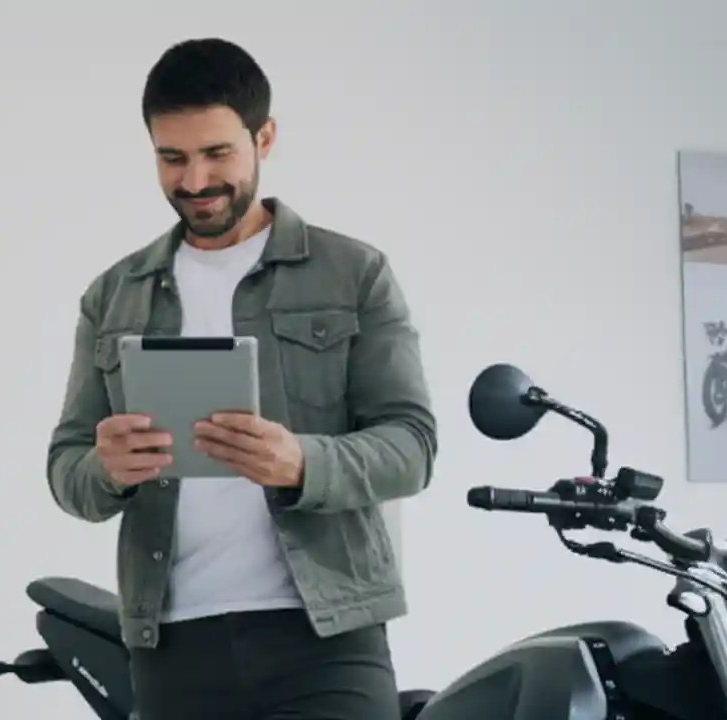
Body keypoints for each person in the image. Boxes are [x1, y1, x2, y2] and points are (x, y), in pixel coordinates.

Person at [45, 37, 437, 720]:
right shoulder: (112, 296)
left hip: (324, 640)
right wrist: (107, 469)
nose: (195, 180)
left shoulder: (353, 274)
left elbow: (413, 447)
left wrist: (302, 462)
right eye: (172, 158)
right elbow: (66, 469)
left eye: (217, 153)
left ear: (265, 138)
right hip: (172, 646)